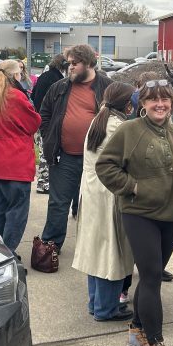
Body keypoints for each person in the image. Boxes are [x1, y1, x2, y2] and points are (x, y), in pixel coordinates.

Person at [96, 78, 173, 346]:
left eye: (165, 99)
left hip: (172, 214)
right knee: (153, 274)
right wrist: (135, 187)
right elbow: (105, 166)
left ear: (172, 102)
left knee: (152, 274)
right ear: (142, 103)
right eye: (153, 99)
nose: (160, 104)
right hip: (139, 213)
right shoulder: (129, 131)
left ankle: (136, 332)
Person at [38, 44, 113, 252]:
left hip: (97, 159)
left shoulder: (107, 87)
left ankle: (95, 249)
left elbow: (120, 117)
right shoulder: (59, 87)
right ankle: (51, 246)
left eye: (74, 63)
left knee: (95, 204)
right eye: (68, 63)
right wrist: (49, 136)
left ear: (88, 63)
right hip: (64, 157)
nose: (69, 67)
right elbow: (44, 114)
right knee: (57, 203)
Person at [73, 82, 136, 322]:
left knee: (96, 252)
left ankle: (96, 303)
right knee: (113, 252)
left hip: (91, 193)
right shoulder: (118, 127)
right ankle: (106, 308)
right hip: (109, 195)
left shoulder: (99, 121)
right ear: (128, 104)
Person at [0, 60, 41, 253]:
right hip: (14, 163)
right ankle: (8, 252)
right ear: (15, 75)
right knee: (16, 212)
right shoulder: (16, 96)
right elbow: (33, 123)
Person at [31, 55, 67, 195]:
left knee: (43, 150)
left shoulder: (43, 76)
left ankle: (44, 181)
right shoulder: (57, 79)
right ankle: (44, 183)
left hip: (40, 118)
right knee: (47, 151)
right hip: (49, 120)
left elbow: (33, 95)